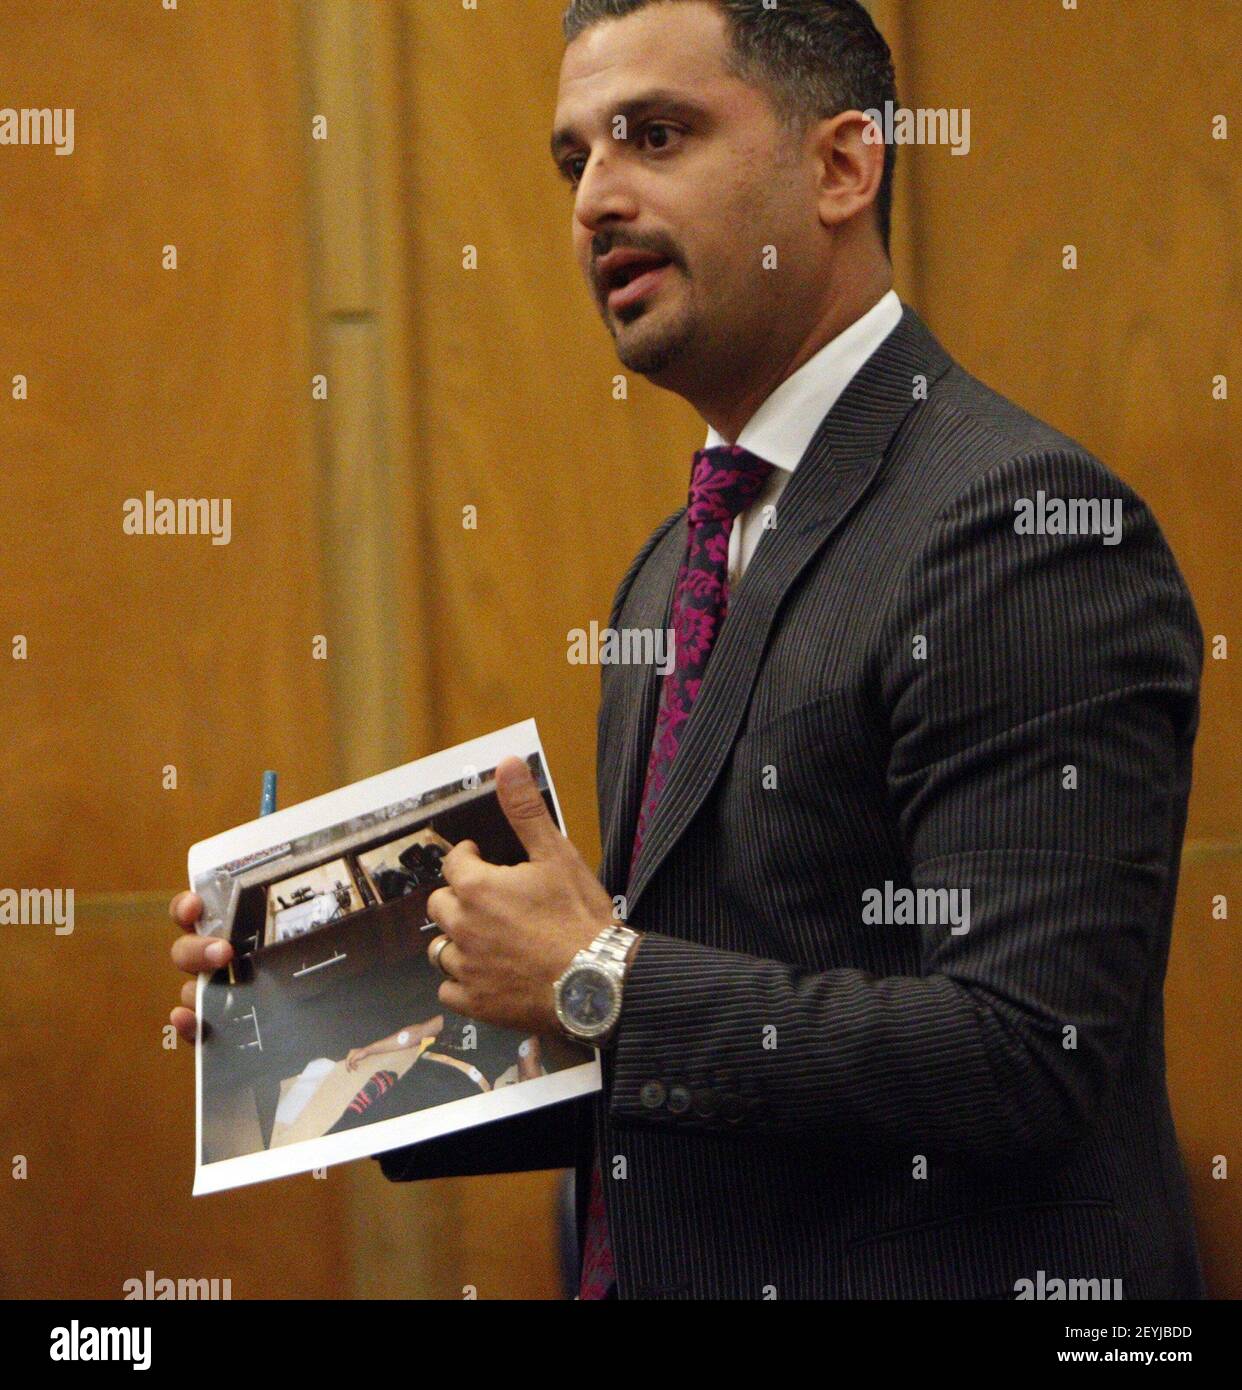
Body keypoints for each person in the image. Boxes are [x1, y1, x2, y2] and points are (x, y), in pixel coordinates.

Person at [171, 0, 1205, 1300]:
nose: (595, 200)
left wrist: (596, 973)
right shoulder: (674, 564)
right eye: (572, 160)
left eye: (651, 135)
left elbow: (1024, 1052)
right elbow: (674, 1049)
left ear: (840, 166)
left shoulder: (1025, 531)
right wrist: (339, 1022)